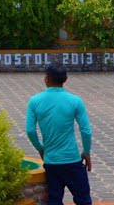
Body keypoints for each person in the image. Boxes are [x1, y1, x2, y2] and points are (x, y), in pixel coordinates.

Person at [26, 63, 93, 205]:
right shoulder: (75, 101)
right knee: (83, 200)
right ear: (66, 79)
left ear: (46, 79)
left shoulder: (34, 101)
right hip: (73, 160)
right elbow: (86, 130)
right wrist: (86, 152)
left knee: (54, 200)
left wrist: (40, 148)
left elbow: (30, 130)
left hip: (51, 162)